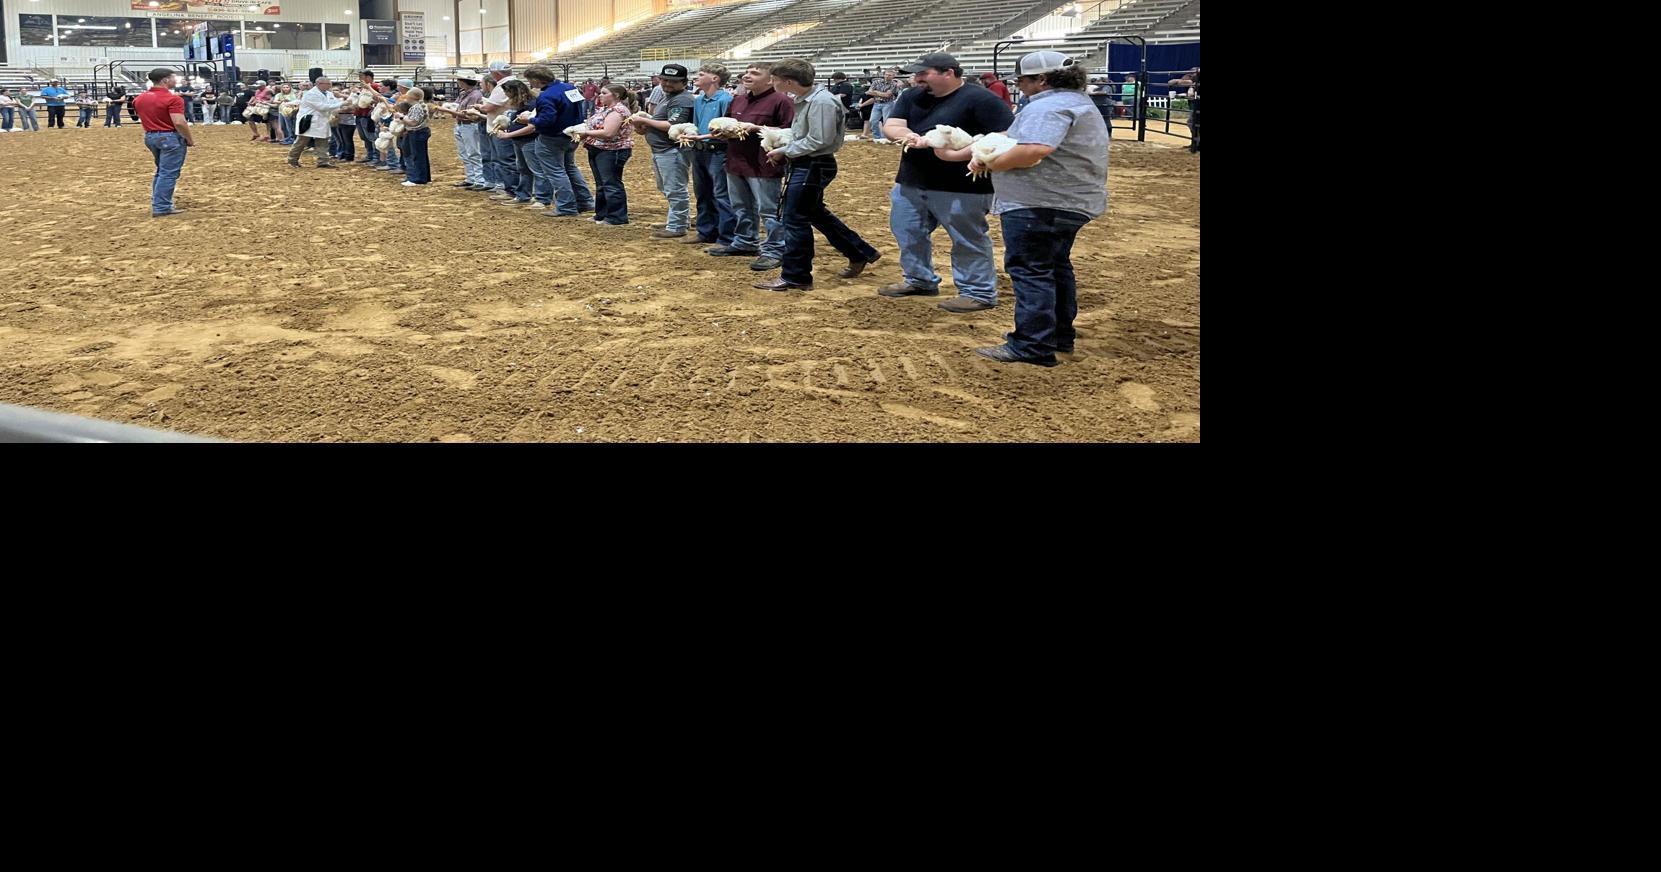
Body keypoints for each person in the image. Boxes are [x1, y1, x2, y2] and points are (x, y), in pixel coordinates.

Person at [968, 52, 1108, 367]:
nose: (1018, 85)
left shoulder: (1046, 106)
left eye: (1022, 80)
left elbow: (1033, 150)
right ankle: (1057, 336)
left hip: (1039, 202)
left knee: (1031, 270)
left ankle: (1032, 345)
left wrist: (989, 162)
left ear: (1041, 80)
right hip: (1069, 201)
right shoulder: (1078, 102)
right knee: (1055, 267)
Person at [880, 52, 1014, 313]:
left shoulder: (980, 98)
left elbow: (1005, 134)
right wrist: (910, 136)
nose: (917, 79)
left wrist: (959, 154)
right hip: (911, 180)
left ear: (948, 73)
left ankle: (978, 292)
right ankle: (919, 279)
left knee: (967, 238)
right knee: (907, 231)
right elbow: (893, 125)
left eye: (923, 73)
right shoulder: (910, 96)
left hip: (962, 185)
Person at [751, 58, 881, 292]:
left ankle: (796, 276)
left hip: (813, 164)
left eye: (775, 79)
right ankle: (860, 252)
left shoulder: (821, 102)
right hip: (809, 163)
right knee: (815, 214)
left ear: (788, 82)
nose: (772, 83)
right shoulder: (808, 99)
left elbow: (819, 139)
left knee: (794, 219)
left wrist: (784, 150)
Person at [711, 62, 793, 267]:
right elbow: (728, 123)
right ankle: (745, 241)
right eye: (747, 72)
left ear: (770, 80)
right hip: (736, 160)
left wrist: (756, 128)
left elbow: (789, 132)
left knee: (769, 209)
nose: (747, 76)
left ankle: (775, 249)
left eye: (755, 73)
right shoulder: (738, 100)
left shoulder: (782, 101)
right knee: (741, 206)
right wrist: (722, 132)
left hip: (764, 163)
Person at [629, 63, 696, 239]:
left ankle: (677, 226)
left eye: (673, 81)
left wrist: (646, 121)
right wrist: (645, 122)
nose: (667, 83)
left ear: (684, 82)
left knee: (675, 189)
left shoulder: (681, 99)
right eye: (664, 79)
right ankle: (680, 219)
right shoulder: (669, 97)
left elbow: (673, 125)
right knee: (667, 187)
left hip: (672, 150)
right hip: (662, 149)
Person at [134, 67, 195, 217]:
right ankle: (161, 206)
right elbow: (179, 122)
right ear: (165, 80)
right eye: (174, 77)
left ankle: (158, 201)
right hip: (170, 137)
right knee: (168, 173)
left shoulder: (139, 98)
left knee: (161, 171)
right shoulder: (173, 99)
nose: (176, 80)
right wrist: (189, 138)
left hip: (150, 136)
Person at [575, 84, 637, 225]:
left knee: (611, 183)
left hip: (612, 150)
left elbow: (609, 133)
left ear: (615, 95)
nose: (600, 95)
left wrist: (586, 133)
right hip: (599, 148)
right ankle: (602, 214)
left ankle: (617, 217)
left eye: (604, 93)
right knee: (602, 184)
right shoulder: (605, 109)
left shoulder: (618, 110)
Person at [287, 76, 343, 169]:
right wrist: (342, 104)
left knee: (323, 141)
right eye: (327, 84)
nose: (330, 85)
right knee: (301, 141)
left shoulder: (329, 94)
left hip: (322, 121)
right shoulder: (310, 94)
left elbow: (334, 104)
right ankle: (292, 160)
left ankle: (323, 161)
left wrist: (342, 105)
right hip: (308, 120)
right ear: (319, 84)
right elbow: (322, 107)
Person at [395, 88, 430, 185]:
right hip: (419, 132)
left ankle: (416, 178)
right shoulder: (419, 106)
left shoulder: (416, 107)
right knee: (420, 156)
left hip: (416, 133)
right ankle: (422, 177)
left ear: (412, 96)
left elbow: (413, 122)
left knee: (415, 156)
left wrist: (401, 117)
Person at [1168, 67, 1199, 153]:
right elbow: (1190, 93)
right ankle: (1195, 142)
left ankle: (1196, 143)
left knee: (1193, 123)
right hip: (1194, 106)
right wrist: (1179, 95)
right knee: (1192, 123)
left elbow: (1178, 82)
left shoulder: (1194, 82)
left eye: (1192, 74)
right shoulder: (1193, 84)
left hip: (1197, 106)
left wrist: (1178, 81)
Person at [864, 68, 900, 142]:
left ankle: (885, 137)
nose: (887, 76)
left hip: (888, 103)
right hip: (877, 103)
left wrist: (876, 92)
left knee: (886, 121)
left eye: (889, 75)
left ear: (893, 76)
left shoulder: (894, 84)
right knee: (873, 121)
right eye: (886, 74)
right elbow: (869, 92)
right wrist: (881, 94)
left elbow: (887, 95)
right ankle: (877, 137)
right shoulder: (876, 82)